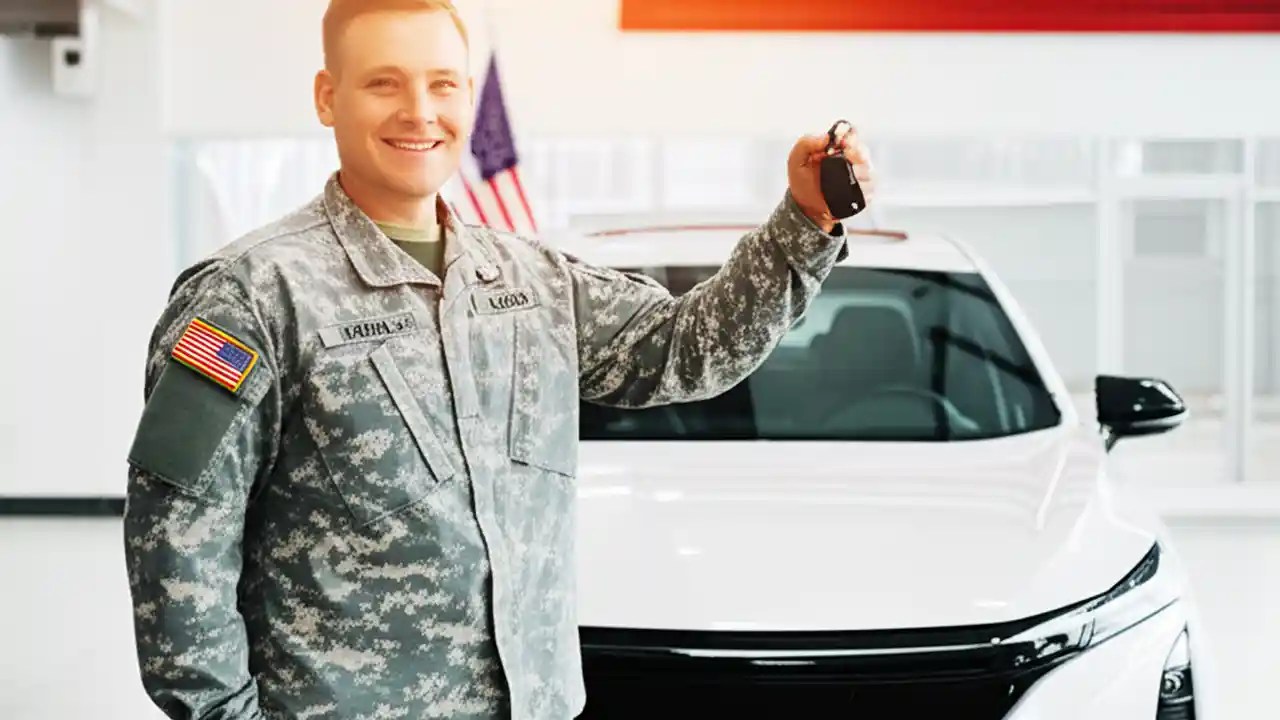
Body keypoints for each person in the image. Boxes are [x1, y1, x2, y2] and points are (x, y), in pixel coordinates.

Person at [121, 1, 877, 718]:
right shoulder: (251, 296)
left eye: (442, 83)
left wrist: (805, 220)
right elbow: (178, 544)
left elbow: (687, 349)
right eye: (384, 82)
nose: (419, 111)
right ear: (328, 96)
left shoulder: (531, 282)